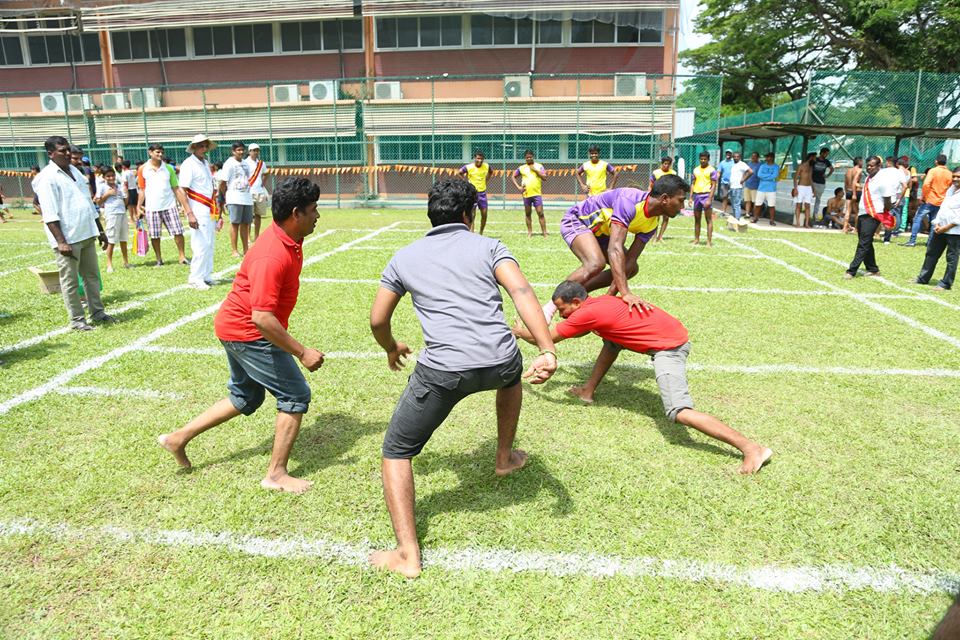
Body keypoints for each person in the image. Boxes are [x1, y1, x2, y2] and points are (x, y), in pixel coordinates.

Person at [368, 177, 557, 578]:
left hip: (444, 373)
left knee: (396, 451)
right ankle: (504, 458)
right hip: (502, 360)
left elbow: (378, 318)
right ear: (469, 215)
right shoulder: (490, 247)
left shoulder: (404, 256)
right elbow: (521, 292)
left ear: (430, 214)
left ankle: (407, 554)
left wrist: (390, 347)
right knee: (510, 377)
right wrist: (547, 349)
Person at [157, 177, 325, 492]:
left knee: (245, 396)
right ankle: (275, 474)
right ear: (295, 213)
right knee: (295, 395)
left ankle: (177, 438)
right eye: (313, 210)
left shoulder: (287, 238)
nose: (318, 216)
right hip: (249, 333)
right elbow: (261, 317)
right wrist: (302, 352)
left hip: (235, 328)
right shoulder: (272, 254)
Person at [513, 280, 772, 474]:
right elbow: (611, 342)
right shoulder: (601, 302)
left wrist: (519, 331)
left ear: (578, 302)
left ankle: (751, 448)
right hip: (670, 333)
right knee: (612, 342)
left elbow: (546, 338)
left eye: (562, 309)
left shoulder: (587, 313)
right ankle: (587, 391)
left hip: (669, 347)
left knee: (678, 411)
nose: (560, 315)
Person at [542, 178, 688, 322]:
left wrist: (609, 298)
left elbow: (630, 261)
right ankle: (552, 305)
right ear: (664, 199)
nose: (682, 206)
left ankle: (577, 294)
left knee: (632, 268)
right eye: (681, 200)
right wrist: (625, 293)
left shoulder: (652, 223)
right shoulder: (629, 201)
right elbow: (615, 248)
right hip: (577, 221)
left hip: (603, 234)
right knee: (595, 264)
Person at [35, 136, 116, 331]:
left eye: (68, 149)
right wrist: (61, 242)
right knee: (70, 282)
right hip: (68, 238)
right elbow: (50, 214)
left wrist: (100, 230)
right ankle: (77, 320)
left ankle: (98, 312)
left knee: (92, 277)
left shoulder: (75, 171)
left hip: (86, 232)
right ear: (51, 154)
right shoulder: (47, 178)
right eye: (62, 151)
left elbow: (88, 203)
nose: (68, 153)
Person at [137, 143, 191, 266]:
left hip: (169, 206)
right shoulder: (142, 169)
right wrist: (138, 206)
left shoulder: (169, 168)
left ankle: (182, 256)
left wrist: (183, 204)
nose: (160, 154)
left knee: (178, 231)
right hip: (152, 207)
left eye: (161, 152)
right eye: (157, 152)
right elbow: (142, 189)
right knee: (155, 235)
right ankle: (158, 259)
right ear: (150, 152)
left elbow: (176, 188)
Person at [845, 156, 898, 279]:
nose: (869, 167)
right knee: (866, 242)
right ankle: (873, 269)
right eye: (868, 165)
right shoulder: (869, 178)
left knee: (863, 243)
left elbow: (887, 200)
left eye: (872, 165)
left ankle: (851, 271)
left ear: (879, 166)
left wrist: (885, 212)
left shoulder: (883, 180)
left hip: (873, 214)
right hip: (863, 213)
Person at [179, 134, 220, 290]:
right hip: (197, 207)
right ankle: (195, 277)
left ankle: (206, 275)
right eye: (201, 146)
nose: (204, 148)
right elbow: (182, 190)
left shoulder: (205, 163)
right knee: (200, 244)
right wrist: (189, 213)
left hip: (208, 207)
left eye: (205, 146)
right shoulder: (188, 164)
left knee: (209, 243)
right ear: (194, 147)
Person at [912, 167, 960, 291]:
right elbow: (943, 209)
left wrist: (946, 228)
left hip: (954, 232)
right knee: (931, 253)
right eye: (954, 176)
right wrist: (937, 224)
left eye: (958, 177)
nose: (955, 179)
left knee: (951, 258)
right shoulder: (951, 190)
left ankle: (946, 283)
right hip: (940, 229)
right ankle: (923, 278)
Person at [904, 154, 952, 247]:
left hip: (929, 200)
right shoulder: (949, 173)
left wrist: (923, 197)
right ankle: (930, 243)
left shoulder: (933, 171)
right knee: (934, 222)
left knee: (917, 219)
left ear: (936, 161)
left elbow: (926, 184)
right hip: (941, 202)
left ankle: (912, 241)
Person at [219, 141, 254, 258]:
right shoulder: (229, 163)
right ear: (233, 151)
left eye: (242, 149)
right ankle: (234, 250)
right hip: (234, 197)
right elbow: (223, 183)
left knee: (246, 224)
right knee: (235, 223)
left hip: (246, 197)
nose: (241, 152)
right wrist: (224, 197)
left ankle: (246, 249)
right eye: (238, 150)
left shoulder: (246, 163)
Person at [94, 166, 130, 272]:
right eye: (108, 176)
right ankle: (109, 264)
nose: (111, 178)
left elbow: (125, 202)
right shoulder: (102, 187)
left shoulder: (119, 186)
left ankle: (126, 262)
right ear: (104, 177)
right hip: (112, 214)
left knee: (123, 239)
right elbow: (98, 202)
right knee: (112, 240)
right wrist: (107, 194)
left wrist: (126, 193)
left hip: (122, 213)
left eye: (112, 175)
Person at [511, 150, 547, 237]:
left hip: (537, 194)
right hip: (526, 194)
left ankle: (544, 233)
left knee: (540, 213)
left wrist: (536, 171)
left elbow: (545, 178)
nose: (529, 158)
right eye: (527, 157)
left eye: (530, 157)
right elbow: (513, 176)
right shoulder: (522, 168)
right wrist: (519, 187)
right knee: (528, 213)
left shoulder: (539, 166)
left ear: (533, 157)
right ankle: (530, 232)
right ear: (525, 158)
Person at [459, 150, 492, 235]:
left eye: (481, 159)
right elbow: (460, 172)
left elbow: (491, 172)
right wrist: (465, 182)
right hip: (472, 193)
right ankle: (472, 233)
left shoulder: (486, 166)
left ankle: (481, 232)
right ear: (474, 158)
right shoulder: (469, 167)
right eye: (478, 158)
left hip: (482, 193)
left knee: (484, 214)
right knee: (472, 214)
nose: (479, 160)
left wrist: (486, 180)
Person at [690, 151, 718, 244]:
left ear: (708, 159)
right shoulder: (695, 170)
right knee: (697, 220)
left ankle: (709, 241)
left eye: (705, 159)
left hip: (706, 195)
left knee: (708, 219)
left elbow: (714, 185)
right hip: (697, 196)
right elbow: (693, 184)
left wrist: (710, 199)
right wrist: (690, 197)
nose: (702, 160)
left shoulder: (712, 170)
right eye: (701, 159)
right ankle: (696, 239)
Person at [244, 143, 269, 243]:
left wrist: (263, 183)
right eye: (253, 150)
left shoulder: (261, 163)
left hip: (259, 191)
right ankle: (248, 237)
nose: (255, 152)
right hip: (248, 192)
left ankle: (257, 236)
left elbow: (266, 173)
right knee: (249, 217)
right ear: (249, 152)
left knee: (258, 215)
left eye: (257, 150)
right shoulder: (245, 163)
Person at [651, 157, 678, 243]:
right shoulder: (655, 173)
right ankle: (654, 237)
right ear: (661, 164)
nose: (666, 165)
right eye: (664, 164)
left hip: (668, 198)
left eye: (668, 164)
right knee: (655, 217)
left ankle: (660, 237)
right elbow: (651, 185)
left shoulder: (673, 173)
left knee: (666, 217)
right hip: (658, 197)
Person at [752, 152, 780, 226]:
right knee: (758, 204)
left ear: (772, 158)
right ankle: (755, 218)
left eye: (768, 157)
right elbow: (759, 175)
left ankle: (772, 220)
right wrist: (769, 176)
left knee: (771, 205)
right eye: (766, 157)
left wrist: (765, 177)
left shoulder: (776, 167)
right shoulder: (762, 166)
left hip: (771, 189)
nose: (766, 158)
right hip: (761, 188)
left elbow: (774, 176)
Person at [728, 151, 753, 222]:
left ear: (740, 157)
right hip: (732, 187)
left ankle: (737, 219)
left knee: (736, 204)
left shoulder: (742, 164)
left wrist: (743, 179)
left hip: (738, 187)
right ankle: (735, 218)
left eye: (737, 157)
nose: (736, 158)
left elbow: (751, 171)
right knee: (733, 204)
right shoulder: (733, 164)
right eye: (734, 156)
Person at [792, 152, 816, 228]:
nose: (816, 159)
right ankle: (798, 223)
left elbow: (811, 178)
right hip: (801, 187)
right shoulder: (801, 166)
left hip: (808, 188)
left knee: (807, 206)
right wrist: (796, 189)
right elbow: (795, 178)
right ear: (811, 157)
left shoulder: (811, 167)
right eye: (815, 157)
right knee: (798, 205)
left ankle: (806, 223)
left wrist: (813, 189)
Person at [811, 147, 834, 224]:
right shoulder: (815, 160)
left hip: (821, 182)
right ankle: (805, 212)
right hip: (813, 181)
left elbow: (832, 169)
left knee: (818, 199)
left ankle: (815, 214)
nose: (826, 155)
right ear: (822, 153)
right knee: (808, 197)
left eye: (827, 154)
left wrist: (827, 175)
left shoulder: (826, 161)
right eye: (826, 153)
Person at [843, 157, 863, 233]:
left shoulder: (848, 170)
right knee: (857, 212)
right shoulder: (859, 170)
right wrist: (855, 193)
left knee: (848, 210)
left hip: (848, 191)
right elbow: (854, 183)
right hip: (856, 192)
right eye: (862, 161)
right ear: (859, 162)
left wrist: (847, 192)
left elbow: (845, 183)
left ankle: (844, 228)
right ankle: (856, 229)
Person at [743, 151, 761, 218]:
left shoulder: (760, 165)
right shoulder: (749, 164)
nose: (753, 157)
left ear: (757, 157)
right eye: (752, 156)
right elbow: (745, 172)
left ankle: (754, 214)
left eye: (755, 156)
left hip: (755, 186)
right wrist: (744, 179)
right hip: (747, 185)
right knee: (747, 200)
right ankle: (747, 213)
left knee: (755, 202)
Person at [121, 159, 138, 225]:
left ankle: (132, 219)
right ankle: (137, 217)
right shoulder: (131, 172)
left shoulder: (125, 173)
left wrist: (126, 190)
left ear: (123, 166)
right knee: (134, 205)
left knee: (130, 205)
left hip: (129, 190)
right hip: (134, 189)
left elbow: (125, 182)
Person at [717, 149, 734, 216]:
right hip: (724, 183)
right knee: (724, 197)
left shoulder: (734, 162)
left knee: (734, 198)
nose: (728, 154)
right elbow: (718, 172)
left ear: (731, 154)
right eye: (727, 153)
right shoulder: (722, 163)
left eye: (729, 153)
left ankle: (734, 212)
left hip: (733, 183)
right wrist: (715, 180)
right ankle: (723, 211)